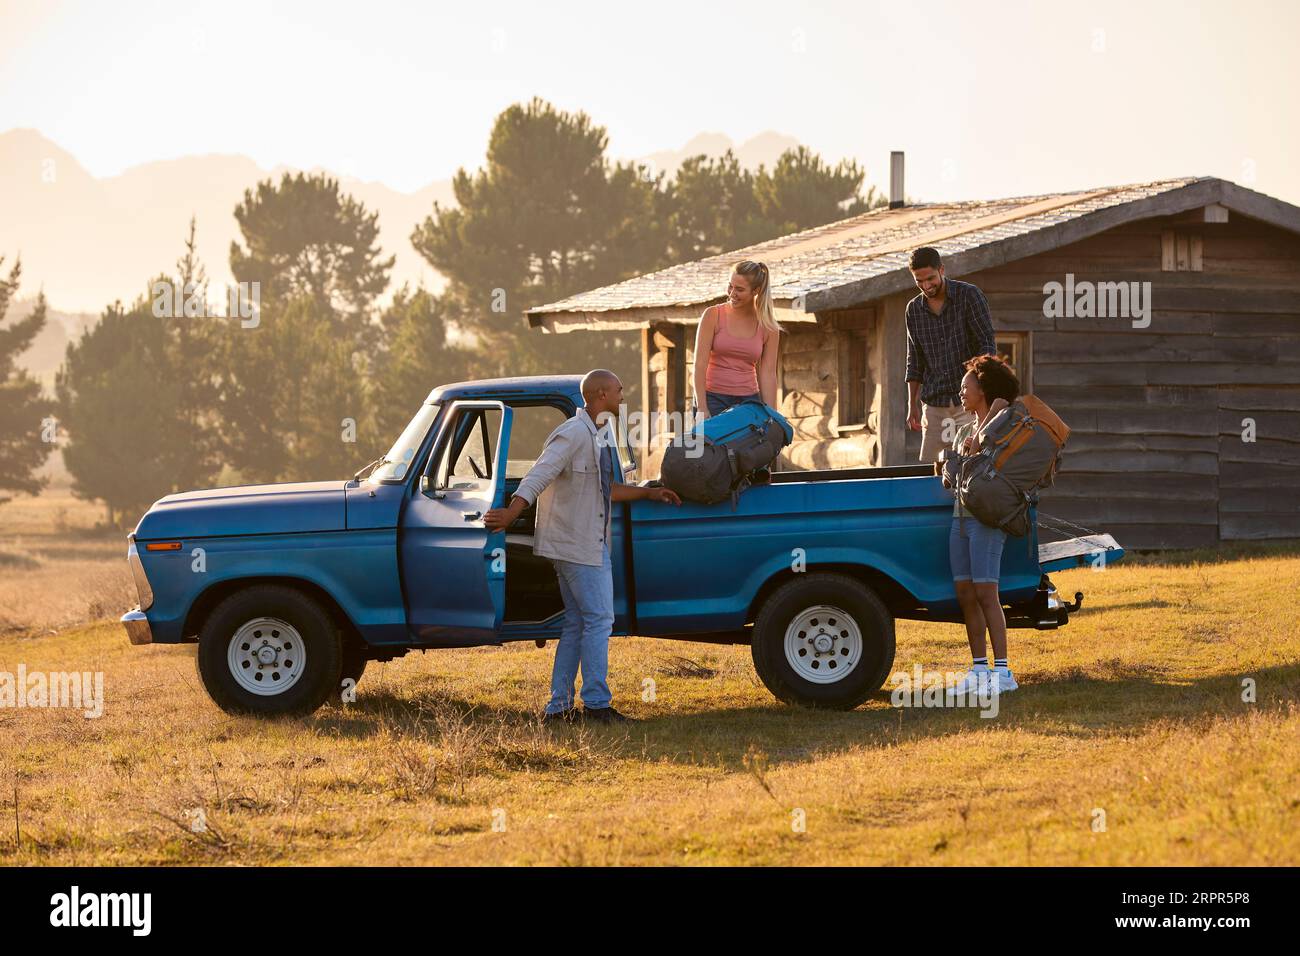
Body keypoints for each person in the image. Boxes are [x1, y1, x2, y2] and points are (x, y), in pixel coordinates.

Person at [484, 370, 681, 724]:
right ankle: (596, 705)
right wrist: (513, 513)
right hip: (577, 544)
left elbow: (606, 489)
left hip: (586, 543)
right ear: (601, 394)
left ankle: (558, 708)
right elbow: (539, 474)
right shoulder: (574, 433)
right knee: (599, 619)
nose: (623, 397)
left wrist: (650, 493)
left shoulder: (597, 435)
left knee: (577, 622)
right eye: (619, 391)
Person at [942, 354, 1019, 697]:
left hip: (985, 520)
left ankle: (1003, 674)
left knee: (987, 593)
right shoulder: (962, 431)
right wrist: (946, 463)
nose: (961, 392)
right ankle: (978, 670)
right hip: (960, 518)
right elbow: (954, 478)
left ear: (982, 388)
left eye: (966, 386)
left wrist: (982, 435)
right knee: (966, 594)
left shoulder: (1002, 424)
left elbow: (997, 462)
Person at [905, 246, 997, 463]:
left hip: (968, 403)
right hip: (935, 404)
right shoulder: (913, 310)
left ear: (942, 270)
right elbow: (914, 359)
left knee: (971, 464)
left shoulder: (969, 296)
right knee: (931, 471)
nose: (926, 286)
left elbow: (987, 345)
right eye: (919, 281)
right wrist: (912, 405)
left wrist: (984, 391)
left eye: (930, 278)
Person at [692, 260, 782, 422]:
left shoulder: (769, 327)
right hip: (712, 399)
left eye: (739, 289)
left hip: (748, 401)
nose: (732, 293)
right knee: (712, 447)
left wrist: (772, 416)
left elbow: (768, 373)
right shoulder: (712, 315)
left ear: (756, 290)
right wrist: (701, 407)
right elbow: (699, 365)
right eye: (730, 286)